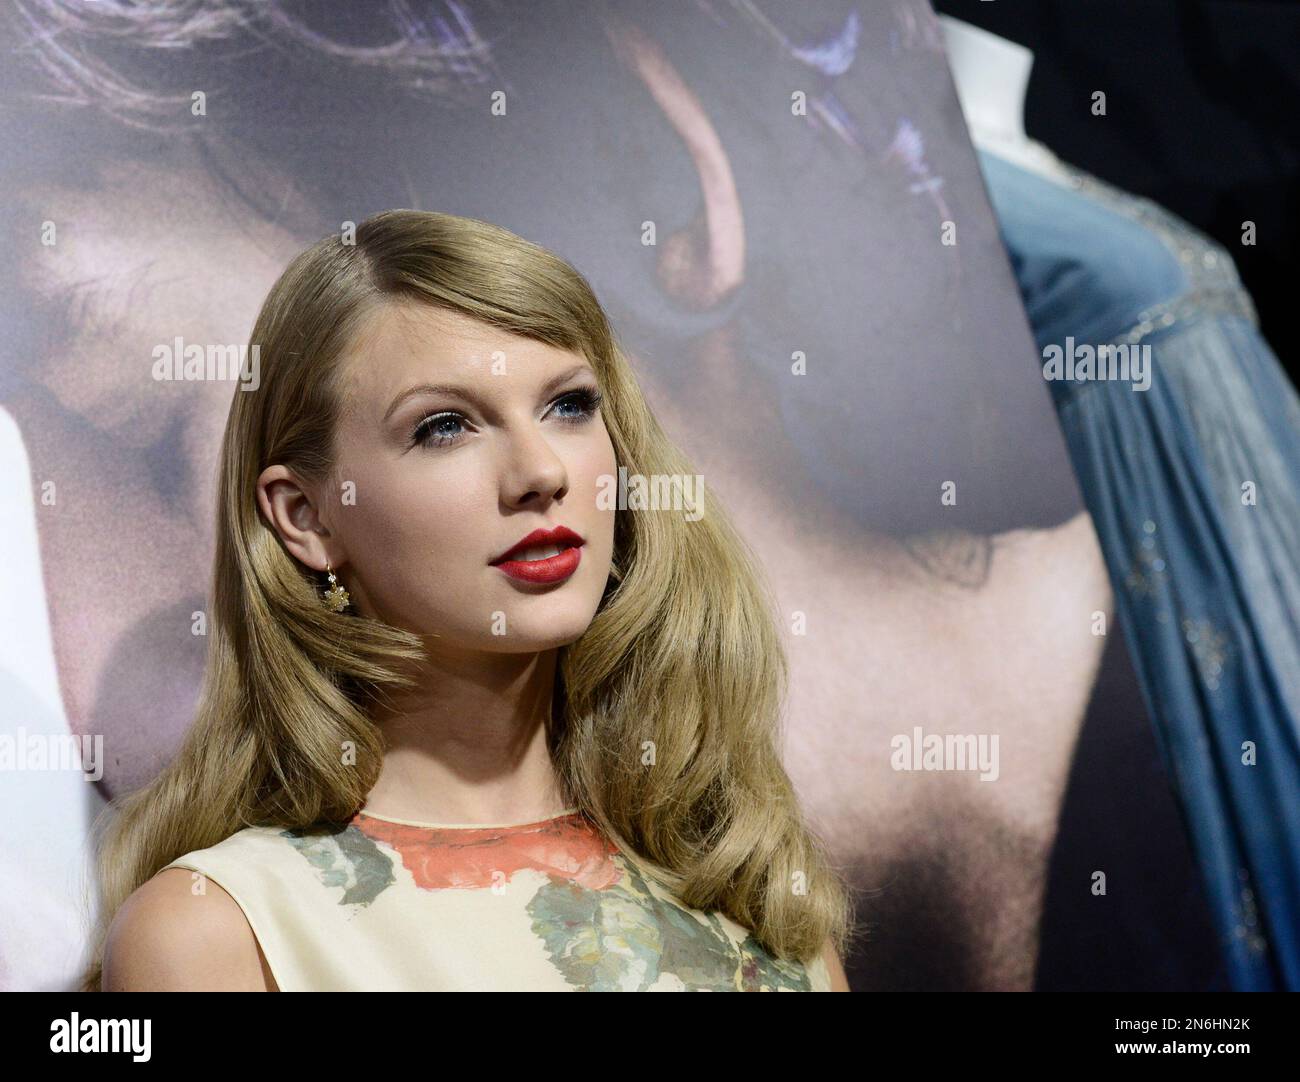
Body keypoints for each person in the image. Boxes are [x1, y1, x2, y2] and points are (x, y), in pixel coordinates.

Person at [88, 208, 855, 991]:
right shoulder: (216, 935)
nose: (540, 471)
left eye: (569, 405)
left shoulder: (748, 891)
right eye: (445, 426)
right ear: (308, 518)